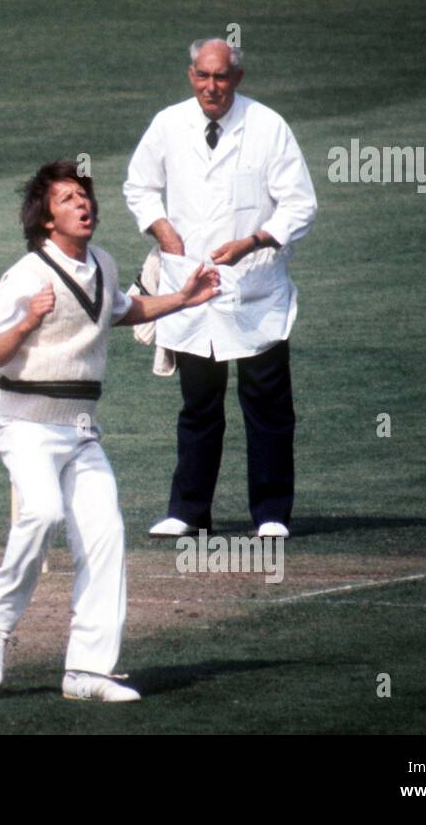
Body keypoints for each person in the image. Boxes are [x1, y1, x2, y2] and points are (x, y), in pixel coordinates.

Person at [0, 159, 218, 702]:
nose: (82, 205)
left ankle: (86, 672)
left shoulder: (104, 263)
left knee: (105, 536)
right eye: (66, 200)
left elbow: (124, 309)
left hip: (81, 431)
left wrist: (183, 298)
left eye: (84, 196)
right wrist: (27, 322)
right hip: (25, 425)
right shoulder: (26, 275)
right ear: (45, 222)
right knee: (42, 513)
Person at [123, 38, 317, 540]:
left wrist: (254, 240)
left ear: (238, 78)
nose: (212, 87)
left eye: (222, 77)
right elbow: (139, 186)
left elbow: (299, 204)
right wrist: (164, 233)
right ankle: (189, 510)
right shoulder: (169, 124)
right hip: (191, 287)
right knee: (198, 405)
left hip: (255, 289)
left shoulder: (268, 126)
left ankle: (272, 512)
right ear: (191, 75)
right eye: (203, 76)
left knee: (267, 404)